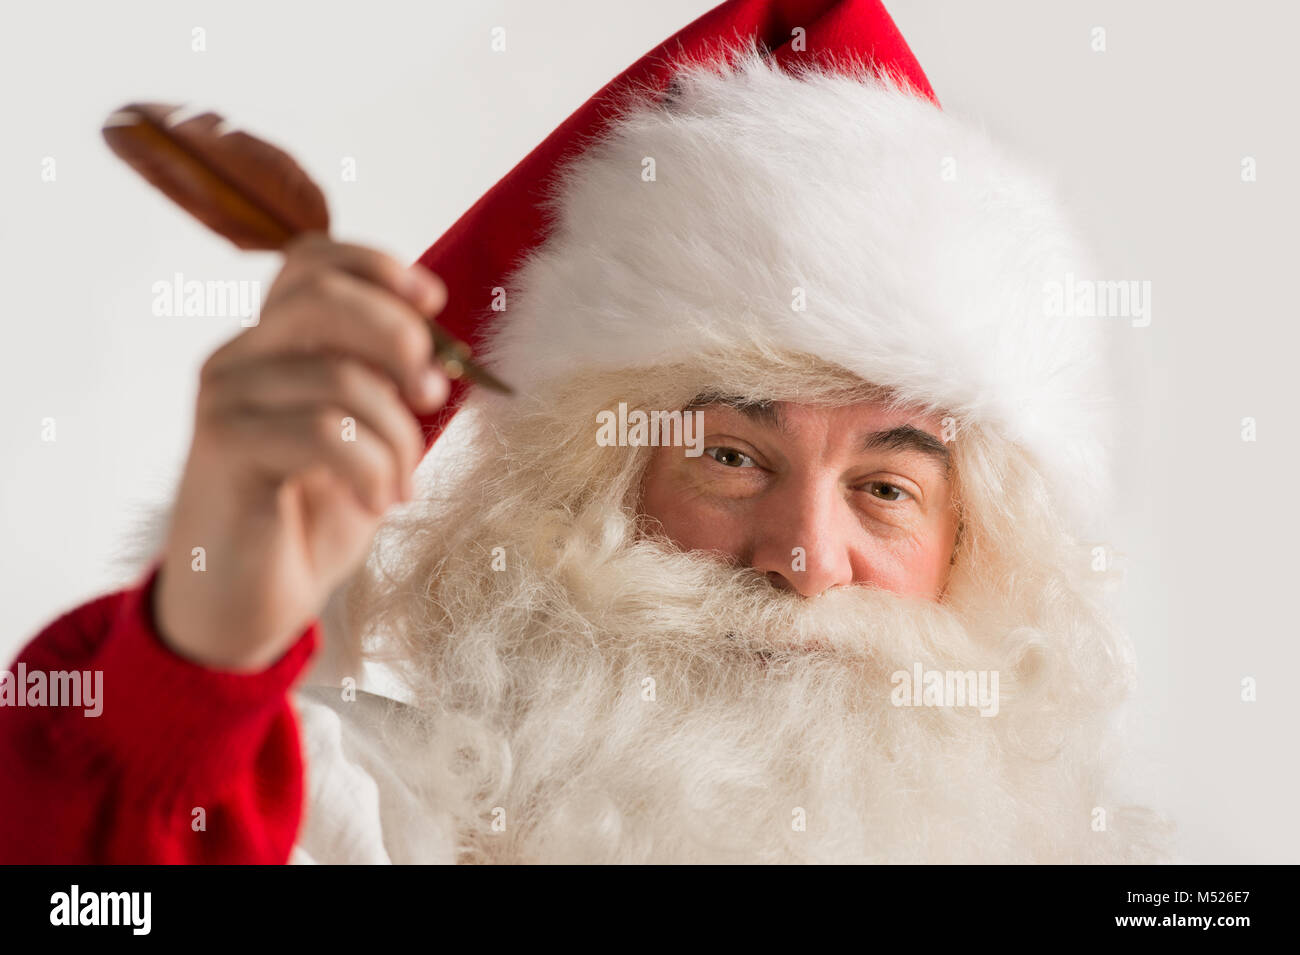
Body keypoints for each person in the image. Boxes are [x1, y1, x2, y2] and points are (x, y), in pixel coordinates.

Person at [0, 0, 1172, 864]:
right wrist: (198, 652)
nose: (804, 560)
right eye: (729, 456)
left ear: (976, 553)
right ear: (587, 489)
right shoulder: (365, 821)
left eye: (885, 489)